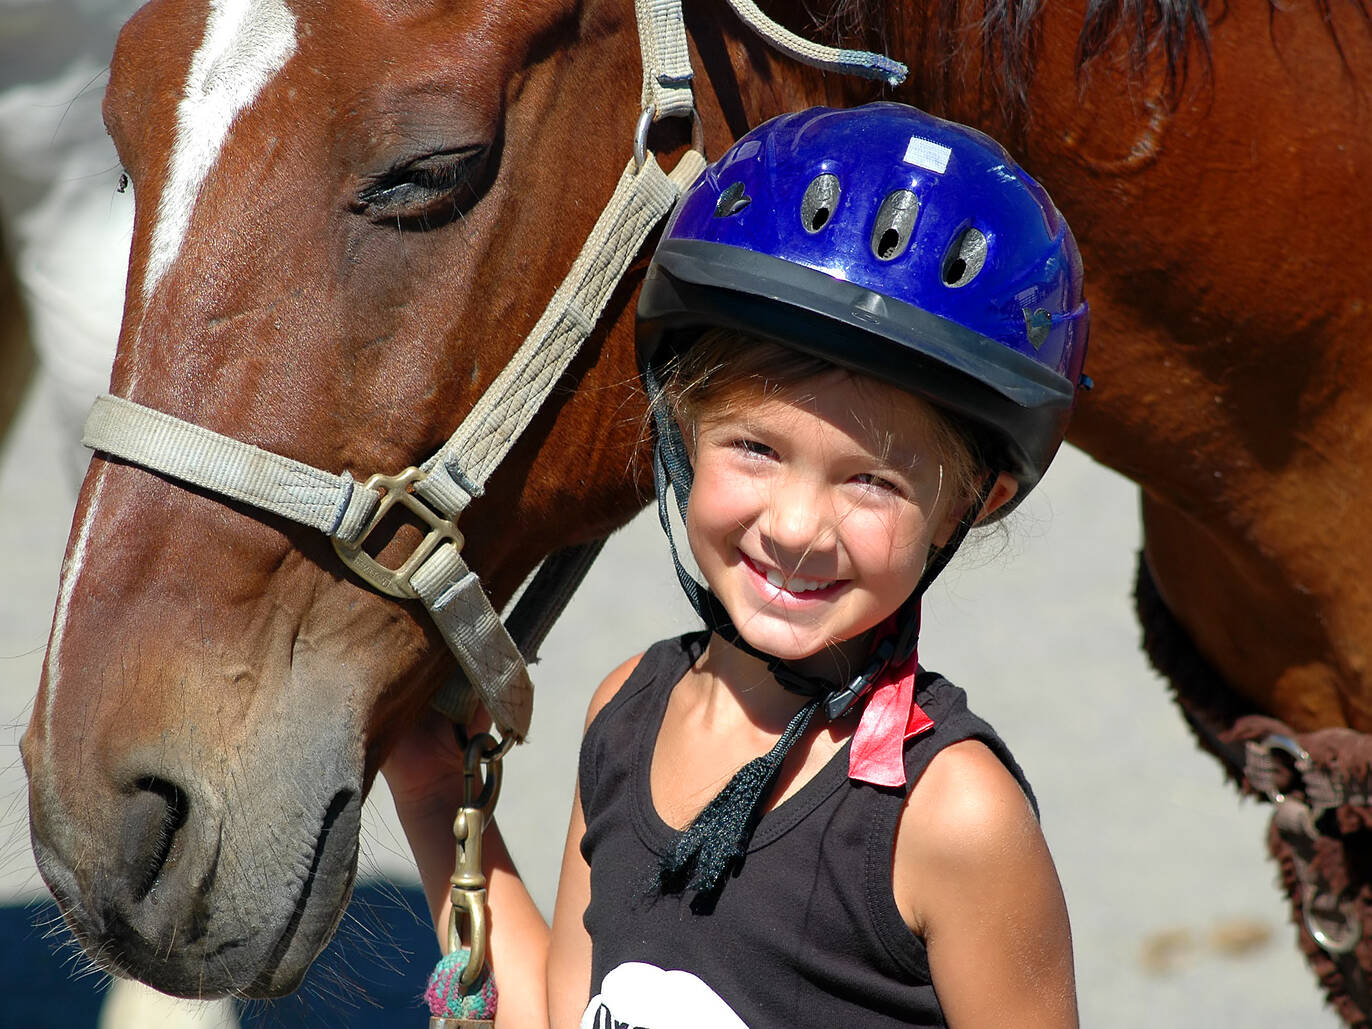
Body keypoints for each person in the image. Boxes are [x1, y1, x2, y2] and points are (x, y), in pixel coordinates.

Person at [386, 101, 1089, 1028]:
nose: (799, 525)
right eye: (755, 448)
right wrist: (435, 791)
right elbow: (569, 1011)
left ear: (970, 502)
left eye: (871, 480)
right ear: (682, 426)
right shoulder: (628, 711)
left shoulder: (951, 817)